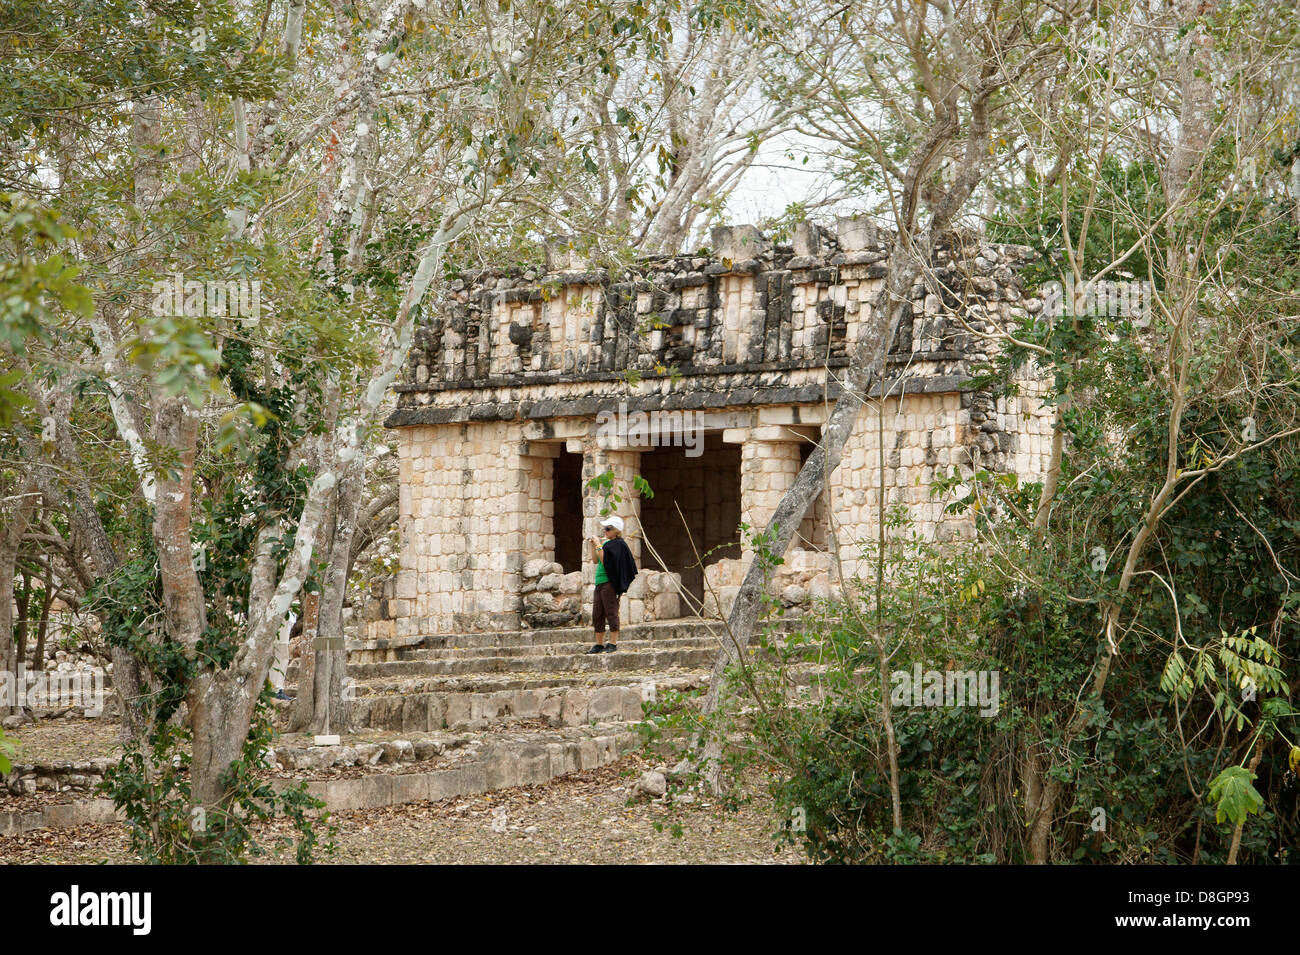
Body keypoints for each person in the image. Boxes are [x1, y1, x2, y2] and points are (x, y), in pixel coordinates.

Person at [586, 514, 637, 654]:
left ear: (616, 530)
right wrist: (594, 546)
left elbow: (607, 562)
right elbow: (596, 560)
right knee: (597, 613)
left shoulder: (619, 544)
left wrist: (598, 545)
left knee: (611, 612)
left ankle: (613, 643)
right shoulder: (606, 544)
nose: (605, 531)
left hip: (609, 583)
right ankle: (599, 644)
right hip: (600, 582)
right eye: (605, 529)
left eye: (608, 529)